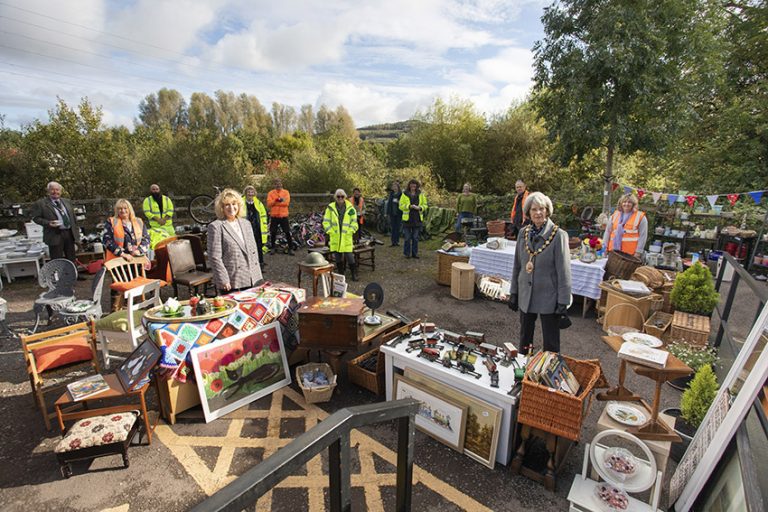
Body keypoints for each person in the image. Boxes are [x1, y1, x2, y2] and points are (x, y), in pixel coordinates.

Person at [508, 192, 571, 353]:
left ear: (547, 211)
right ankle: (523, 372)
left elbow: (564, 272)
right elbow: (518, 265)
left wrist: (563, 301)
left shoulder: (559, 236)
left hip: (549, 297)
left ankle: (549, 374)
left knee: (551, 344)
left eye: (541, 209)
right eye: (534, 209)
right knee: (524, 340)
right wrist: (514, 292)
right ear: (528, 213)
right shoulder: (523, 233)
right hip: (525, 295)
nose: (538, 213)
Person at [207, 189, 263, 293]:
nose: (231, 208)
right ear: (222, 208)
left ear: (239, 205)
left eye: (234, 204)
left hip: (252, 278)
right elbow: (214, 257)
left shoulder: (246, 224)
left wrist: (258, 276)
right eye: (227, 205)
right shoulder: (216, 227)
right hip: (232, 280)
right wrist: (223, 279)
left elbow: (253, 251)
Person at [31, 181, 79, 262]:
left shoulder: (67, 201)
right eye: (52, 190)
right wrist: (48, 223)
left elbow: (73, 218)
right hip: (54, 234)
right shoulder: (41, 204)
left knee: (71, 258)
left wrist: (77, 234)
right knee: (57, 259)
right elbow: (36, 218)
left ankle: (73, 274)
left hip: (69, 234)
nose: (55, 192)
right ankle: (57, 274)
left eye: (57, 190)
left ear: (60, 191)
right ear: (48, 191)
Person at [323, 189, 359, 281]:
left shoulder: (351, 208)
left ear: (345, 197)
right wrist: (330, 231)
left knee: (349, 256)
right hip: (335, 237)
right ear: (335, 197)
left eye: (342, 196)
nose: (340, 198)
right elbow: (326, 222)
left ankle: (354, 274)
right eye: (338, 196)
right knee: (338, 257)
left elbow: (354, 223)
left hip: (346, 237)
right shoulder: (330, 208)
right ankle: (341, 275)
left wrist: (350, 231)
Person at [603, 193, 648, 259]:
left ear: (633, 204)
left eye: (629, 202)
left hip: (630, 254)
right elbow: (607, 232)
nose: (626, 204)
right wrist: (604, 248)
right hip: (613, 251)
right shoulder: (614, 215)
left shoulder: (640, 217)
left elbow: (643, 236)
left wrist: (638, 252)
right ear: (621, 203)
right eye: (624, 202)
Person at [399, 179, 428, 259]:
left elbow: (425, 205)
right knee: (407, 238)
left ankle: (415, 253)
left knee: (415, 238)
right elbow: (400, 206)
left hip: (417, 219)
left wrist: (420, 207)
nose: (413, 186)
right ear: (409, 185)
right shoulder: (404, 194)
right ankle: (407, 253)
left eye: (414, 185)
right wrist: (409, 206)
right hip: (407, 219)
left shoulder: (421, 194)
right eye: (412, 185)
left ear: (417, 186)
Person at [142, 184, 175, 249]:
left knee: (173, 244)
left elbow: (170, 209)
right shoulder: (147, 200)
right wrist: (158, 220)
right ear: (150, 191)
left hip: (169, 227)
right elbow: (147, 212)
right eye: (153, 189)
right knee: (160, 245)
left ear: (159, 190)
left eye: (157, 189)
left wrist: (164, 220)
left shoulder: (166, 199)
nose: (155, 191)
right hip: (156, 228)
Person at [266, 178, 294, 255]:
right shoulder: (271, 193)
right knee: (273, 232)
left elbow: (286, 203)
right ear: (274, 185)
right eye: (276, 183)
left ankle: (291, 248)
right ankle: (273, 248)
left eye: (279, 183)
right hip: (274, 216)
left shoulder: (286, 192)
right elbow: (269, 204)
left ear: (282, 184)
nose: (278, 185)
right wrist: (276, 200)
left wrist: (275, 203)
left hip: (283, 216)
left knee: (287, 232)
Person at [243, 185, 268, 269]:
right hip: (246, 228)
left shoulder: (258, 203)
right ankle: (249, 265)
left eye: (252, 192)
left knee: (258, 247)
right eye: (249, 192)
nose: (250, 193)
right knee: (248, 247)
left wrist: (264, 228)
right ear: (245, 193)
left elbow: (264, 216)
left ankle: (260, 264)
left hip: (257, 228)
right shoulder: (241, 202)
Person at [386, 181, 402, 247]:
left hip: (398, 213)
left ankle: (397, 241)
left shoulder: (401, 194)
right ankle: (393, 242)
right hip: (392, 213)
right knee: (393, 227)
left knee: (397, 227)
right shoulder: (391, 194)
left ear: (398, 187)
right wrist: (387, 212)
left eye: (395, 186)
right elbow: (389, 204)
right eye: (393, 186)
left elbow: (403, 203)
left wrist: (398, 202)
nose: (394, 187)